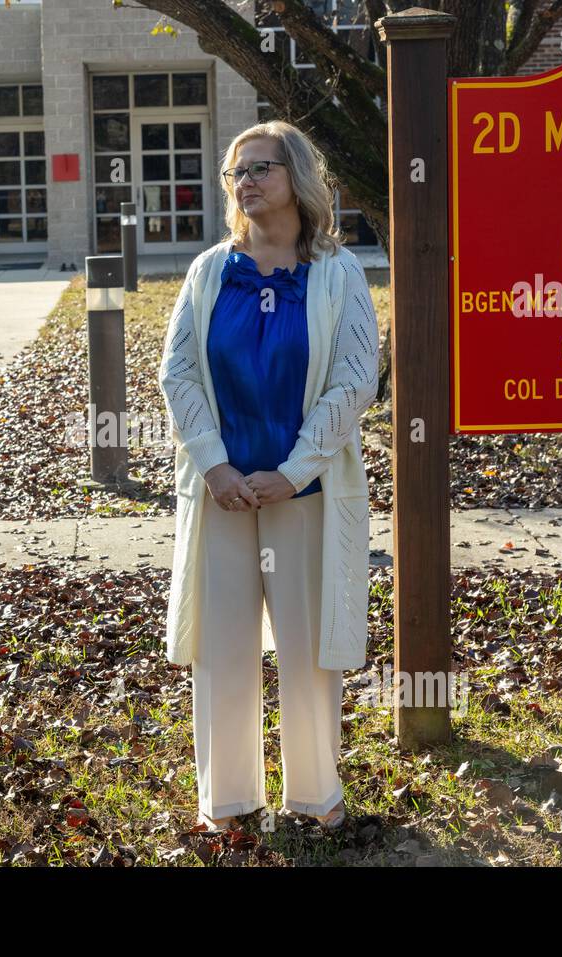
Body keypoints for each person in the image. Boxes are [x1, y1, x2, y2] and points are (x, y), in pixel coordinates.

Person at [158, 121, 379, 833]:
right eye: (235, 173)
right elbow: (177, 372)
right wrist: (215, 464)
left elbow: (354, 380)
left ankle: (316, 798)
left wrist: (293, 470)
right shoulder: (209, 271)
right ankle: (228, 802)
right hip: (223, 491)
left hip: (303, 492)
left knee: (308, 648)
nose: (245, 182)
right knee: (224, 650)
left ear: (297, 177)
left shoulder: (338, 272)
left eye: (259, 168)